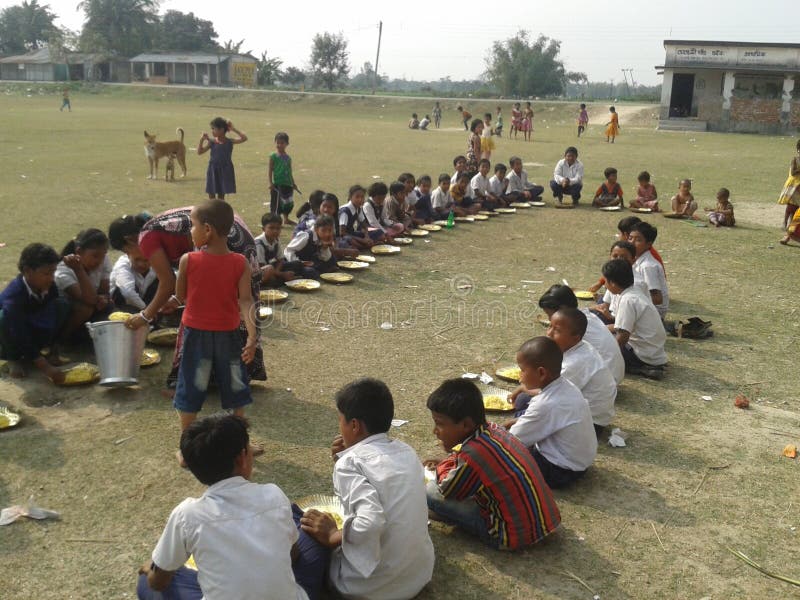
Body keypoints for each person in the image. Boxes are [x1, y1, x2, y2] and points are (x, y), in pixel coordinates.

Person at [136, 414, 325, 600]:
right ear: (242, 458)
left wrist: (154, 566)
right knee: (307, 524)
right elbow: (293, 555)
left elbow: (157, 583)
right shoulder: (273, 495)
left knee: (147, 582)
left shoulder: (186, 515)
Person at [300, 379, 434, 600]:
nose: (339, 428)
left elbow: (370, 521)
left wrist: (333, 535)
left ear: (354, 426)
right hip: (417, 575)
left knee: (306, 535)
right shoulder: (406, 450)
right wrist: (343, 458)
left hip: (371, 589)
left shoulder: (350, 464)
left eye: (340, 420)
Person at [110, 209, 266, 388]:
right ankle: (240, 370)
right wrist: (177, 299)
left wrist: (145, 316)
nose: (130, 255)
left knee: (204, 309)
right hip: (236, 232)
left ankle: (198, 377)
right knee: (235, 301)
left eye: (126, 250)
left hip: (218, 237)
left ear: (129, 239)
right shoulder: (155, 225)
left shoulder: (145, 238)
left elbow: (167, 282)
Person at [425, 378, 561, 550]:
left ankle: (456, 519)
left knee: (429, 492)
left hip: (510, 536)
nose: (435, 431)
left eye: (439, 424)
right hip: (547, 521)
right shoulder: (495, 430)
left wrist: (441, 467)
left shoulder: (473, 454)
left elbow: (449, 490)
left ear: (466, 424)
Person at [171, 200, 257, 441]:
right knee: (235, 384)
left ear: (207, 229)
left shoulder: (189, 260)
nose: (191, 231)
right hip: (226, 336)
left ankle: (189, 446)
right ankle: (237, 444)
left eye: (193, 226)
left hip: (199, 336)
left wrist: (251, 337)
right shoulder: (239, 262)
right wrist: (251, 336)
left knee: (192, 385)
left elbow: (180, 297)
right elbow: (246, 301)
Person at [505, 337, 597, 488]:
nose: (520, 376)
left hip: (559, 471)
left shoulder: (546, 404)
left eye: (522, 371)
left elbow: (511, 441)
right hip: (579, 464)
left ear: (541, 373)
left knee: (503, 459)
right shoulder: (567, 385)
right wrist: (513, 422)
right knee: (521, 410)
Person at [0, 243, 69, 383]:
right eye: (46, 273)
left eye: (53, 272)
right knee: (3, 318)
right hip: (12, 336)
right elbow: (17, 331)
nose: (51, 278)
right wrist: (45, 367)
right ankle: (13, 359)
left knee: (62, 305)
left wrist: (52, 348)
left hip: (35, 327)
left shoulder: (49, 286)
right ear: (27, 271)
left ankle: (50, 352)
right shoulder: (14, 295)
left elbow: (53, 314)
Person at [545, 309, 617, 435]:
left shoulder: (577, 362)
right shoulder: (581, 346)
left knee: (526, 403)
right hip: (588, 414)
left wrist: (523, 389)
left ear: (575, 337)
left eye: (557, 330)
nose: (549, 334)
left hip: (591, 423)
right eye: (550, 326)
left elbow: (551, 394)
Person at [537, 284, 624, 385]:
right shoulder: (585, 316)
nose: (549, 319)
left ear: (562, 309)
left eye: (549, 315)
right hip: (613, 374)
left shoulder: (573, 328)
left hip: (607, 379)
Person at [602, 259, 667, 379]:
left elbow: (623, 336)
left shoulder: (627, 300)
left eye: (605, 282)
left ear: (613, 284)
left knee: (601, 344)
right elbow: (622, 326)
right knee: (604, 334)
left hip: (643, 355)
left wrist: (608, 356)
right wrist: (603, 328)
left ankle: (639, 367)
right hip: (655, 353)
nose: (605, 286)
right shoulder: (634, 292)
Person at [55, 228, 112, 340]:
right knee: (85, 309)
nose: (100, 261)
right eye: (95, 256)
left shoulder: (103, 260)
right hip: (65, 312)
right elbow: (89, 299)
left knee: (110, 306)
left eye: (103, 255)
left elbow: (104, 290)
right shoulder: (63, 271)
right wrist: (79, 269)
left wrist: (104, 298)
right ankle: (63, 338)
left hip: (91, 304)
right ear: (79, 252)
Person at [198, 117, 247, 201]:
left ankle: (220, 211)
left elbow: (244, 138)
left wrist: (233, 129)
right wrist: (201, 140)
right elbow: (200, 152)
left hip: (225, 170)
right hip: (213, 169)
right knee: (211, 194)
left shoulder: (229, 141)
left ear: (221, 130)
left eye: (214, 129)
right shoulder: (212, 142)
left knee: (221, 195)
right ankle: (211, 211)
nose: (212, 131)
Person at [629, 221, 669, 318]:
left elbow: (657, 299)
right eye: (630, 238)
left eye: (638, 240)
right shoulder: (635, 259)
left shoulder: (648, 266)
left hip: (652, 314)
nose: (632, 242)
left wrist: (629, 303)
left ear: (648, 244)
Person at [255, 213, 297, 287]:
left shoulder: (276, 240)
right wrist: (282, 274)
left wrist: (277, 271)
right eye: (271, 228)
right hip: (261, 270)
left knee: (296, 264)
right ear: (263, 229)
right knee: (271, 276)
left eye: (278, 228)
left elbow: (280, 259)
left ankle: (284, 278)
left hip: (273, 267)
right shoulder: (259, 243)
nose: (275, 231)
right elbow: (261, 266)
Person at [269, 132, 302, 225]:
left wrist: (293, 183)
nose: (279, 145)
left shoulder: (288, 158)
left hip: (287, 184)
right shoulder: (273, 156)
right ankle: (275, 221)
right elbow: (270, 170)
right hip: (277, 184)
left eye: (282, 143)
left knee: (287, 203)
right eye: (277, 142)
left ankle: (286, 219)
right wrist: (270, 183)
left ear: (287, 144)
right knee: (276, 203)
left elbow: (290, 172)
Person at [338, 184, 374, 251]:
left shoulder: (358, 208)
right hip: (342, 237)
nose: (360, 199)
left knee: (375, 232)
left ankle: (364, 245)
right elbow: (342, 233)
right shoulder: (345, 211)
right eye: (357, 197)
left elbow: (364, 226)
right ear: (351, 197)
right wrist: (362, 240)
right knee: (349, 240)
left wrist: (367, 237)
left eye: (362, 197)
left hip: (352, 234)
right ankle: (363, 247)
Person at [778, 140, 800, 229]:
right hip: (794, 185)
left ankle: (792, 225)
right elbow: (793, 172)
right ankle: (785, 222)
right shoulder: (795, 159)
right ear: (798, 149)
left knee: (797, 206)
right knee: (791, 205)